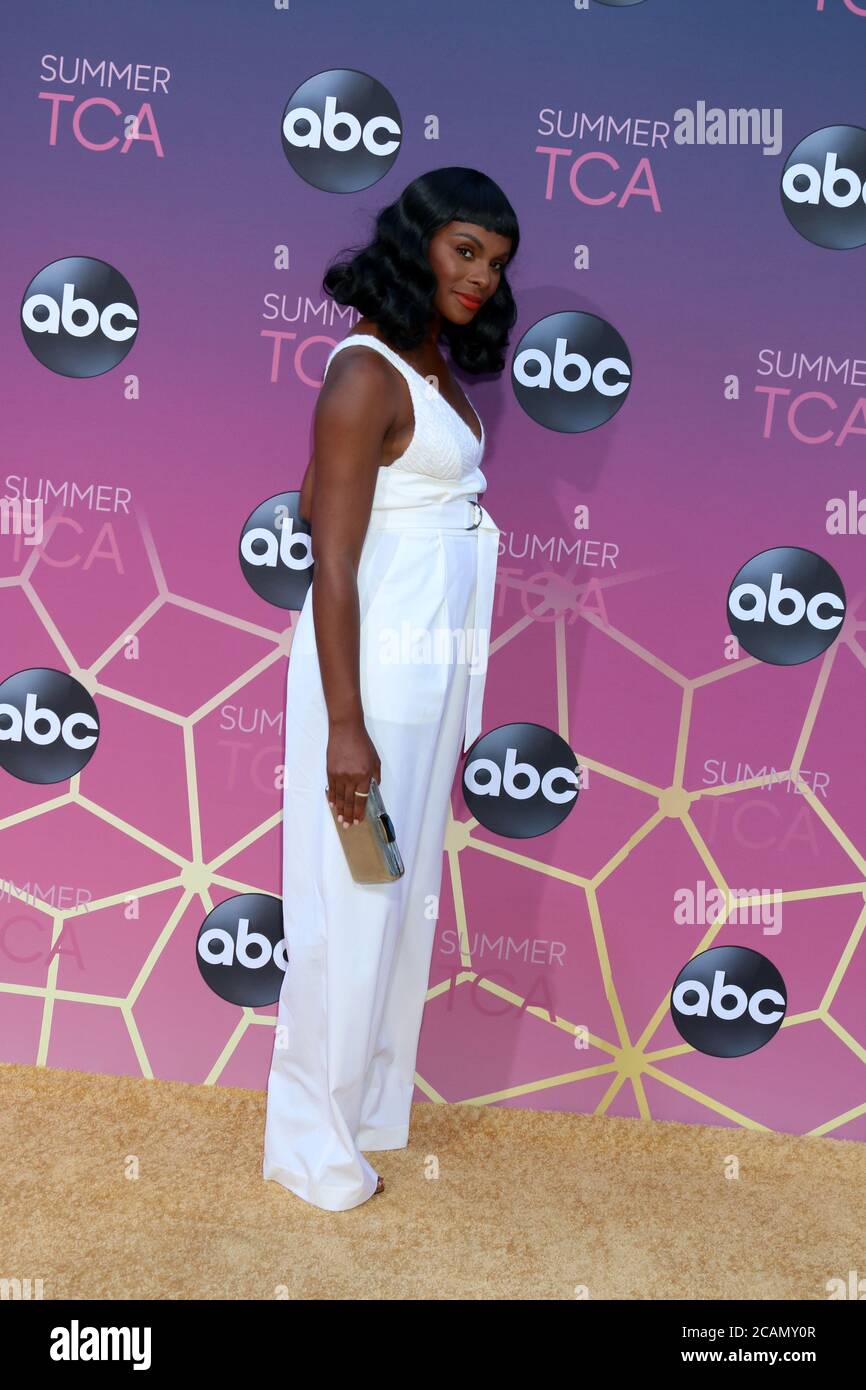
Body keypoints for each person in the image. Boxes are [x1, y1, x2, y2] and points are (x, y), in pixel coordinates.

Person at [262, 166, 519, 1211]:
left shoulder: (431, 369)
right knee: (349, 905)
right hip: (367, 692)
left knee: (395, 904)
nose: (479, 276)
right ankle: (306, 1147)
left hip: (422, 688)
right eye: (463, 250)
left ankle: (362, 1111)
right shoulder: (366, 372)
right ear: (416, 241)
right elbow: (329, 557)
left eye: (495, 262)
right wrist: (344, 729)